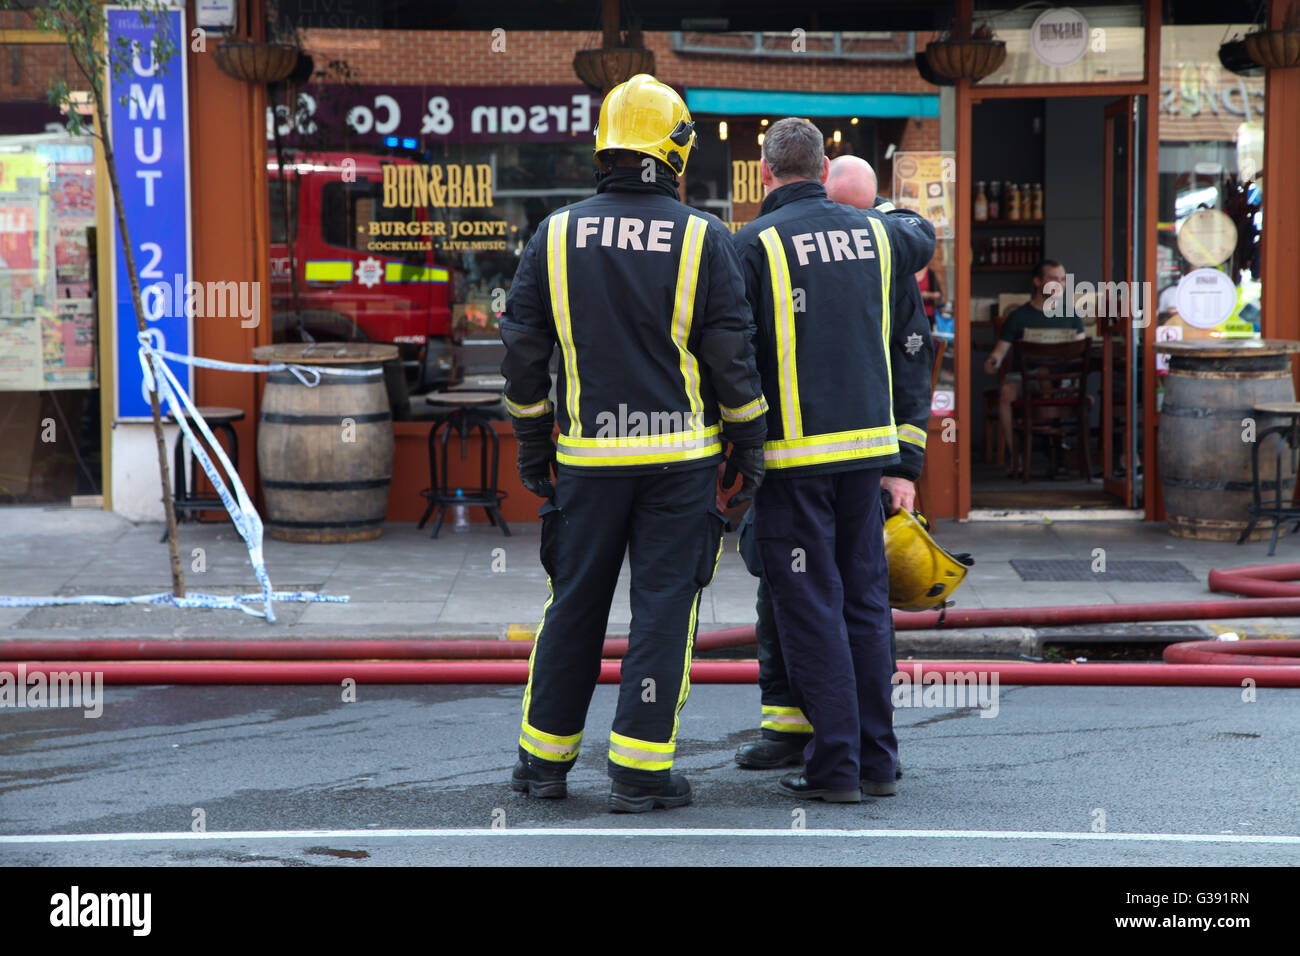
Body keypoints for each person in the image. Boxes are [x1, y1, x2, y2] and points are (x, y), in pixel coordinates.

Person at [499, 74, 768, 814]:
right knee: (662, 612)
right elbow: (732, 363)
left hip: (585, 463)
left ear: (605, 148)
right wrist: (749, 449)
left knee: (574, 604)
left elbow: (523, 356)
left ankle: (541, 764)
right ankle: (641, 769)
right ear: (676, 149)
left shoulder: (553, 233)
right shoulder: (705, 238)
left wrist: (532, 446)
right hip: (679, 466)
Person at [733, 120, 935, 802]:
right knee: (865, 604)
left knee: (810, 607)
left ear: (764, 173)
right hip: (866, 461)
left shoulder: (751, 245)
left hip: (793, 464)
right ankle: (877, 760)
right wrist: (902, 461)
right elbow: (921, 235)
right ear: (824, 170)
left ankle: (835, 766)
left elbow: (733, 355)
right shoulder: (880, 235)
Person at [982, 259, 1083, 476]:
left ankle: (1059, 448)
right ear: (1037, 282)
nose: (1059, 284)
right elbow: (1000, 351)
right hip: (1024, 377)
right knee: (1006, 391)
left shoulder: (1072, 315)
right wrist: (993, 360)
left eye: (1063, 280)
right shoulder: (1018, 317)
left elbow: (1081, 353)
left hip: (1061, 380)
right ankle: (1016, 457)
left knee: (1054, 376)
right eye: (1053, 279)